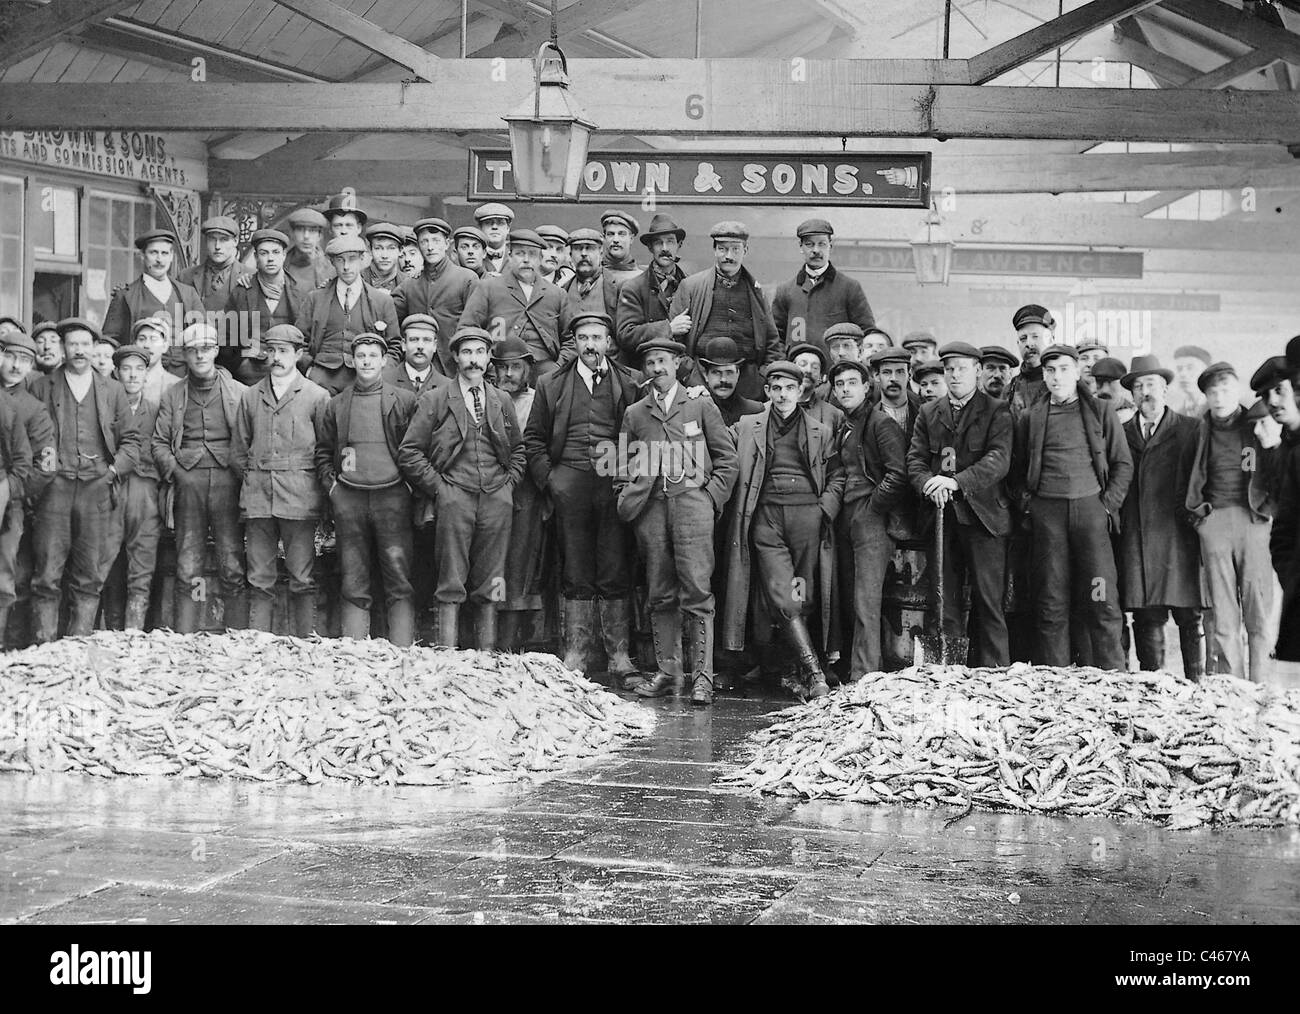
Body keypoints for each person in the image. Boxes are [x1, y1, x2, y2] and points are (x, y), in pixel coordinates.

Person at [616, 336, 738, 704]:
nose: (658, 369)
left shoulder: (700, 406)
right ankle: (669, 674)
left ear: (676, 365)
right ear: (645, 369)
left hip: (691, 508)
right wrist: (629, 499)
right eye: (651, 362)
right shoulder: (635, 414)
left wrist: (709, 500)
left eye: (664, 361)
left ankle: (702, 678)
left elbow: (728, 461)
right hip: (652, 511)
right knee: (659, 593)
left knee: (697, 592)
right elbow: (621, 465)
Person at [522, 311, 641, 687]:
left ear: (609, 342)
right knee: (574, 566)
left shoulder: (630, 381)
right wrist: (551, 481)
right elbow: (534, 440)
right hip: (569, 480)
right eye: (583, 338)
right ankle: (577, 652)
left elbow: (642, 434)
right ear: (573, 342)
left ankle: (619, 655)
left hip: (613, 483)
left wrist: (629, 479)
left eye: (597, 337)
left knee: (614, 563)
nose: (590, 345)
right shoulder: (551, 383)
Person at [722, 362, 845, 700]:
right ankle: (814, 673)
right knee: (783, 591)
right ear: (767, 391)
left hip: (807, 519)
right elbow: (718, 444)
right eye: (776, 388)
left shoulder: (820, 430)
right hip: (766, 519)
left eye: (789, 388)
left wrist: (824, 510)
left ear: (801, 390)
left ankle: (789, 666)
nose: (782, 395)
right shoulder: (749, 426)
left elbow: (838, 475)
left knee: (801, 592)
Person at [398, 326, 525, 650]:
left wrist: (507, 486)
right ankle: (448, 658)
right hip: (455, 498)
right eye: (466, 353)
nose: (473, 360)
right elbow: (410, 452)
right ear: (454, 357)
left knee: (493, 579)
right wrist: (441, 489)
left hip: (496, 498)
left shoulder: (500, 399)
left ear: (488, 358)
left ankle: (486, 659)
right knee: (451, 578)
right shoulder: (436, 399)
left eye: (479, 353)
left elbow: (519, 450)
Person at [1008, 344, 1132, 670]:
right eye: (1050, 371)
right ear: (1044, 376)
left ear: (1077, 372)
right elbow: (1017, 472)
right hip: (1047, 518)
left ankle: (1111, 680)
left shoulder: (1101, 413)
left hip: (1091, 515)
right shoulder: (1030, 418)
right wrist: (1030, 507)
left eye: (1064, 369)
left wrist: (1106, 507)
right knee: (1051, 603)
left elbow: (1122, 465)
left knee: (1101, 595)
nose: (1057, 376)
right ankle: (1056, 683)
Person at [28, 318, 142, 641]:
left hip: (97, 489)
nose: (79, 351)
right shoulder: (43, 387)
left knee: (89, 574)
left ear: (95, 348)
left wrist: (112, 471)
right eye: (73, 344)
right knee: (47, 573)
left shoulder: (113, 390)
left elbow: (132, 442)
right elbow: (32, 439)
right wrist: (47, 472)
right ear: (64, 348)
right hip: (55, 490)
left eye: (85, 344)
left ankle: (77, 650)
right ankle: (45, 649)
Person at [906, 341, 1012, 667]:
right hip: (942, 519)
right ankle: (946, 675)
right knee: (944, 601)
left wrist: (956, 482)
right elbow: (915, 461)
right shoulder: (929, 412)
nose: (954, 375)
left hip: (984, 519)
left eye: (961, 368)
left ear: (977, 372)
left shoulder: (997, 411)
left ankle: (994, 674)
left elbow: (999, 460)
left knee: (989, 603)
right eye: (949, 369)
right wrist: (928, 485)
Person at [315, 332, 418, 647]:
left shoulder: (404, 400)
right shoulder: (337, 404)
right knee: (353, 575)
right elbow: (323, 452)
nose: (367, 362)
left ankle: (402, 652)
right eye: (361, 356)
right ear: (352, 360)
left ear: (385, 361)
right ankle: (355, 652)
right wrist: (333, 488)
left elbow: (417, 448)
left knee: (399, 577)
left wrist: (409, 488)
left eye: (373, 356)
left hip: (393, 498)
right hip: (351, 499)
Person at [231, 324, 330, 637]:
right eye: (271, 351)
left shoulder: (316, 396)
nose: (275, 357)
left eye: (283, 351)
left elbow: (327, 451)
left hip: (299, 498)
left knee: (302, 575)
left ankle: (306, 645)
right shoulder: (250, 396)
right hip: (258, 496)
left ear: (299, 354)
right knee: (259, 576)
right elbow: (238, 452)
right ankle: (258, 645)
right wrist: (253, 480)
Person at [1186, 361, 1279, 681]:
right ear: (1207, 397)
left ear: (1237, 390)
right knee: (1223, 614)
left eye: (1226, 389)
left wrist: (1267, 510)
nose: (1220, 397)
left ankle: (1262, 685)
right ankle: (1234, 688)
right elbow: (1187, 476)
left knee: (1258, 607)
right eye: (1213, 391)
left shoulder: (1257, 422)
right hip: (1215, 524)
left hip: (1253, 521)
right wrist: (1201, 518)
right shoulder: (1199, 429)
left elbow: (1276, 465)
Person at [153, 322, 247, 635]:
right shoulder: (173, 394)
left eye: (206, 348)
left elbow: (249, 442)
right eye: (193, 351)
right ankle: (186, 635)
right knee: (188, 563)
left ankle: (239, 639)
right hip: (188, 484)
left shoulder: (240, 394)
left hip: (227, 483)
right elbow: (158, 442)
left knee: (231, 561)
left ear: (216, 350)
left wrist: (240, 476)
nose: (200, 355)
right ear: (185, 355)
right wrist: (177, 472)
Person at [1120, 355, 1205, 676]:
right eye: (1139, 386)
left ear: (1165, 389)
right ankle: (1152, 686)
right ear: (1132, 395)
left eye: (1152, 384)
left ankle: (1195, 685)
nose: (1146, 392)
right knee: (1147, 614)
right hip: (1138, 538)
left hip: (1179, 539)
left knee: (1188, 614)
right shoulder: (1122, 433)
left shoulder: (1190, 429)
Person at [830, 358, 906, 681]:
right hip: (847, 518)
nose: (845, 389)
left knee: (866, 601)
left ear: (866, 387)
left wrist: (873, 507)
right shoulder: (844, 425)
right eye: (839, 384)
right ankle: (855, 670)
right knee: (850, 600)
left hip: (871, 519)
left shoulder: (880, 423)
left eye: (851, 383)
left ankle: (865, 677)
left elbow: (898, 474)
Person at [671, 221, 781, 402]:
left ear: (745, 250)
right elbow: (673, 342)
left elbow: (772, 343)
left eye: (735, 249)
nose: (728, 256)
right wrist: (688, 374)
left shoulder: (756, 291)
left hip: (748, 386)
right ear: (714, 250)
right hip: (700, 383)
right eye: (722, 249)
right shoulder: (691, 287)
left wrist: (762, 377)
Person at [97, 342, 162, 632]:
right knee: (104, 563)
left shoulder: (157, 410)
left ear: (146, 375)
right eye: (126, 369)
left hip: (145, 494)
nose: (133, 376)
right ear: (116, 373)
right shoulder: (105, 407)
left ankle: (134, 634)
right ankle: (108, 633)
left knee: (142, 567)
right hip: (112, 491)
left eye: (139, 369)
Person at [490, 336, 549, 652]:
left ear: (528, 369)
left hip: (527, 491)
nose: (509, 374)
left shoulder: (539, 400)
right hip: (490, 488)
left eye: (516, 367)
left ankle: (512, 640)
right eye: (503, 368)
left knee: (520, 563)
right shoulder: (489, 398)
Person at [458, 229, 575, 378]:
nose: (526, 260)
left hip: (543, 372)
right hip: (498, 367)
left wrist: (558, 369)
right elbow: (467, 329)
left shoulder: (557, 294)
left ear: (540, 258)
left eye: (532, 254)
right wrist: (484, 362)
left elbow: (570, 341)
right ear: (510, 256)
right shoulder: (488, 288)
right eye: (520, 253)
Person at [0, 331, 54, 645]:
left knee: (5, 575)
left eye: (24, 360)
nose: (15, 365)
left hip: (9, 502)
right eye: (9, 356)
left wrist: (11, 492)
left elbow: (45, 467)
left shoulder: (34, 409)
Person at [297, 235, 401, 395]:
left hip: (365, 377)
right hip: (321, 376)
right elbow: (298, 341)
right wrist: (310, 369)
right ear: (332, 262)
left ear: (363, 259)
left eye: (352, 259)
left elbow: (394, 346)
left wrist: (379, 374)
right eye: (340, 260)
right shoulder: (315, 298)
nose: (346, 266)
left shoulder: (382, 301)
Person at [101, 229, 204, 376]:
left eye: (164, 253)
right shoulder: (125, 296)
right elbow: (109, 341)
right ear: (142, 256)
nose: (159, 259)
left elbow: (202, 334)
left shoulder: (188, 294)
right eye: (153, 252)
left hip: (183, 376)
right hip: (141, 375)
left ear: (171, 257)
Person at [771, 218, 874, 354]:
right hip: (798, 369)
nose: (816, 250)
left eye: (822, 244)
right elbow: (775, 337)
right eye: (809, 244)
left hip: (836, 371)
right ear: (800, 247)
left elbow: (866, 332)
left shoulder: (849, 287)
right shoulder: (785, 291)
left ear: (830, 246)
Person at [392, 218, 479, 373]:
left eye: (436, 241)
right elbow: (389, 317)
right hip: (420, 367)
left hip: (455, 366)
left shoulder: (466, 279)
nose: (430, 247)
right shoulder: (410, 285)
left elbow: (476, 325)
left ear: (446, 244)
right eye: (424, 242)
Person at [225, 228, 303, 386]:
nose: (270, 259)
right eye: (264, 253)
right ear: (255, 257)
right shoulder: (242, 291)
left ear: (284, 255)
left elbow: (307, 336)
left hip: (289, 370)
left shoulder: (300, 292)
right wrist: (239, 364)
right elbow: (228, 336)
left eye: (275, 252)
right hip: (249, 372)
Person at [615, 213, 691, 373]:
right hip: (646, 372)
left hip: (683, 373)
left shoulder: (690, 286)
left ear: (679, 244)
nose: (665, 248)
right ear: (650, 248)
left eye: (670, 241)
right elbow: (625, 334)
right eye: (658, 243)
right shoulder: (633, 288)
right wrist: (668, 329)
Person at [1264, 351, 1300, 674]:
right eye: (1266, 395)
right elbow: (1283, 524)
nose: (1272, 401)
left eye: (1280, 390)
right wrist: (1289, 571)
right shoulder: (1285, 449)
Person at [179, 216, 242, 314]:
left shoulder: (250, 277)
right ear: (206, 241)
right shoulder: (186, 276)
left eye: (224, 240)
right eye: (212, 239)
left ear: (235, 241)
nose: (217, 246)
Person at [699, 337, 762, 427]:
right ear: (706, 375)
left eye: (729, 372)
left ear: (738, 374)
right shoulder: (697, 410)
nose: (723, 379)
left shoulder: (754, 411)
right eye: (716, 373)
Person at [562, 228, 621, 320]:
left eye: (589, 248)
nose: (583, 253)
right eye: (578, 248)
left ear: (601, 253)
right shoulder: (563, 291)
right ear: (570, 255)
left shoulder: (618, 288)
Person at [383, 314, 449, 395]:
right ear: (404, 344)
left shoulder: (447, 387)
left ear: (435, 346)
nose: (420, 346)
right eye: (414, 340)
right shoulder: (385, 382)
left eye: (426, 340)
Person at [1005, 305, 1051, 419]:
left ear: (1049, 339)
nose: (1029, 344)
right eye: (1023, 338)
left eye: (1035, 336)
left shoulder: (1062, 384)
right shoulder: (1010, 390)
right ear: (1018, 343)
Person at [281, 208, 335, 292]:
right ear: (291, 233)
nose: (306, 236)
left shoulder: (331, 269)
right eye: (300, 230)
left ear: (320, 235)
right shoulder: (280, 266)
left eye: (312, 231)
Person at [361, 222, 407, 293]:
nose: (384, 256)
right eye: (378, 248)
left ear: (400, 250)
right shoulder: (358, 279)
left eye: (391, 248)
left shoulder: (408, 284)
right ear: (370, 249)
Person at [600, 210, 641, 287]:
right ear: (604, 238)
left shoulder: (642, 279)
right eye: (610, 234)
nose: (616, 240)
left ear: (631, 238)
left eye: (621, 234)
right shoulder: (593, 275)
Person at [1169, 344, 1212, 417]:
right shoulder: (1177, 416)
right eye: (1179, 369)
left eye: (1190, 368)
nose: (1183, 374)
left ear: (1206, 372)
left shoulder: (1219, 407)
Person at [473, 202, 514, 276]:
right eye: (488, 223)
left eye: (500, 223)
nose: (494, 227)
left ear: (508, 228)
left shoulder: (516, 258)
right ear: (480, 228)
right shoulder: (471, 257)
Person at [1092, 356, 1136, 423]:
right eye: (1099, 381)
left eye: (1110, 382)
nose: (1104, 390)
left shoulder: (1133, 418)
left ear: (1122, 384)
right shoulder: (1085, 410)